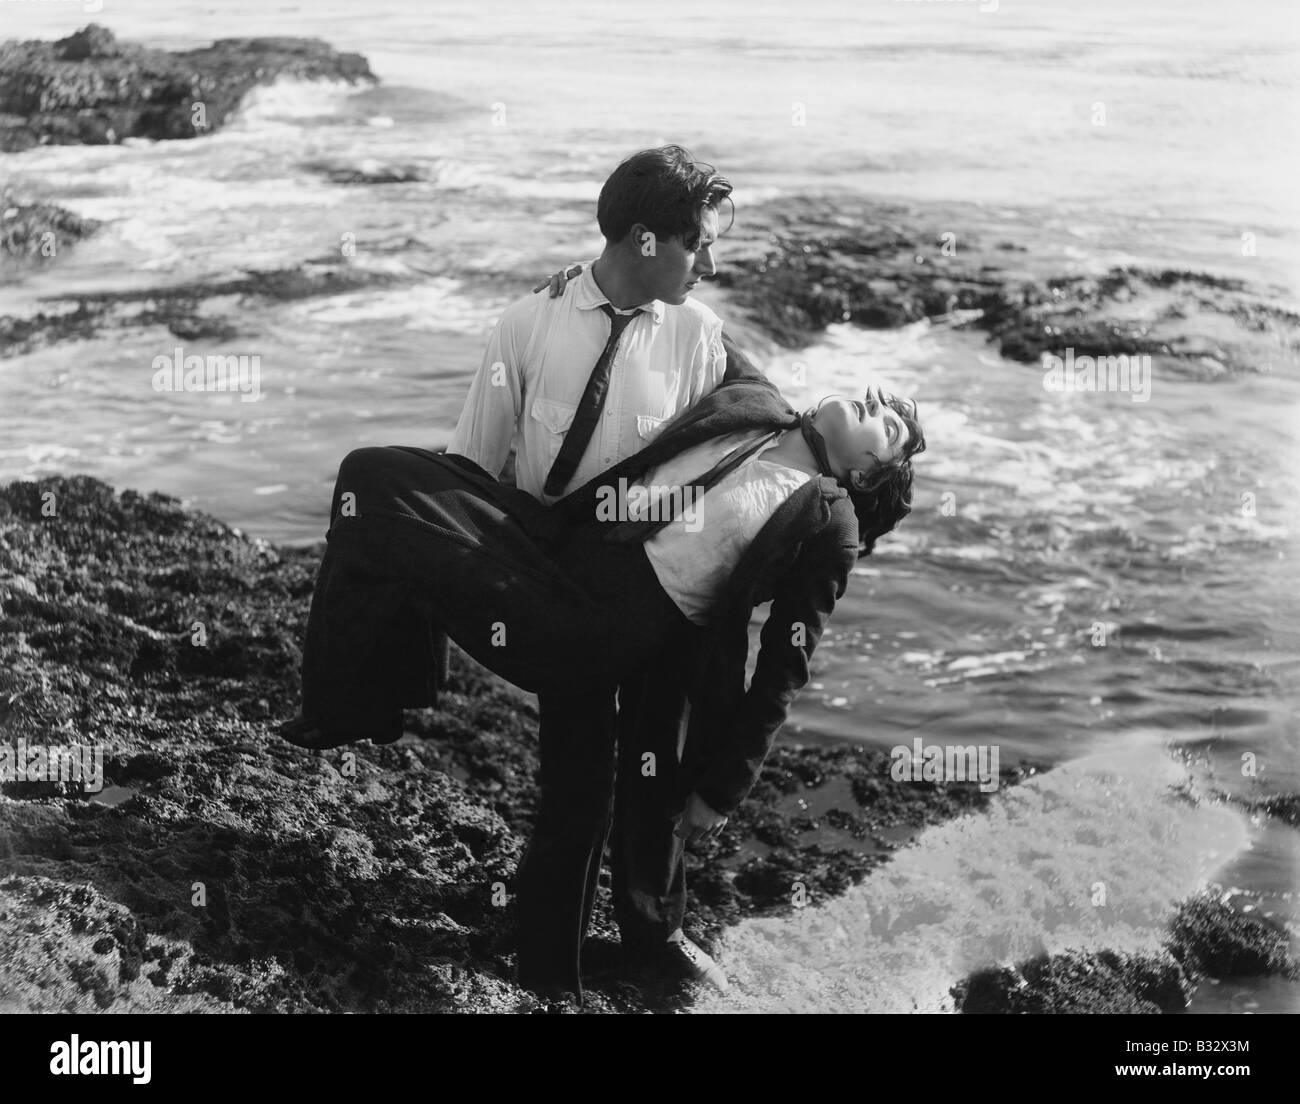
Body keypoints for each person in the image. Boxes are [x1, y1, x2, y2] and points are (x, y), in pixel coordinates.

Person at [280, 364, 926, 1004]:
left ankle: (587, 966)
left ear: (865, 472)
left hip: (599, 631)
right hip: (551, 551)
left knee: (621, 794)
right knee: (372, 473)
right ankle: (363, 707)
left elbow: (786, 666)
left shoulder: (827, 515)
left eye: (889, 421)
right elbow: (678, 302)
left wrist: (723, 789)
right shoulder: (756, 405)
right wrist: (581, 281)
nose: (876, 398)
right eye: (881, 396)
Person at [438, 145, 753, 996]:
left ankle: (656, 938)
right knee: (575, 782)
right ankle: (549, 963)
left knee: (657, 774)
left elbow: (764, 437)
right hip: (564, 598)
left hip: (663, 597)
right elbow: (470, 472)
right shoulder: (525, 326)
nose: (712, 264)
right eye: (700, 245)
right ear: (646, 240)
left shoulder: (702, 338)